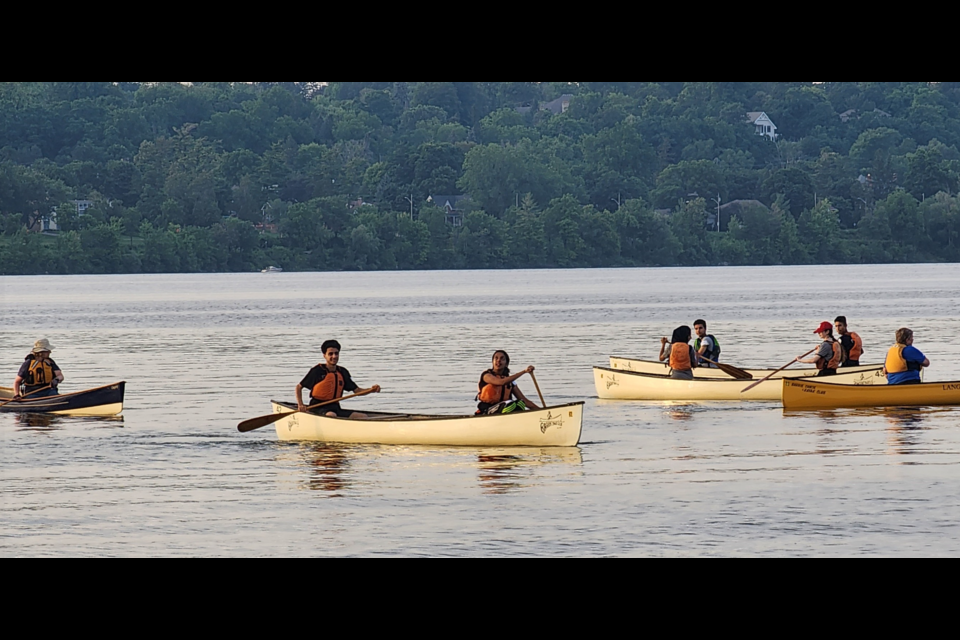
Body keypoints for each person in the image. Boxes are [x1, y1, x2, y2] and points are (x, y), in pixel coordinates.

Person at [296, 340, 381, 419]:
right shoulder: (317, 371)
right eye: (330, 354)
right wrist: (301, 405)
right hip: (317, 407)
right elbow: (299, 387)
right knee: (331, 415)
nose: (334, 356)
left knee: (362, 416)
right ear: (324, 355)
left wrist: (371, 390)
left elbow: (357, 391)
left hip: (335, 407)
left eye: (336, 353)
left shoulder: (342, 372)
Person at [476, 351, 540, 415]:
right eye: (496, 358)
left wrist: (542, 411)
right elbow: (501, 382)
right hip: (486, 410)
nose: (498, 360)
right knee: (509, 404)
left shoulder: (510, 382)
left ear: (506, 363)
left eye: (502, 358)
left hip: (503, 410)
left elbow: (525, 401)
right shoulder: (486, 375)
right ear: (492, 362)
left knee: (520, 403)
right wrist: (524, 371)